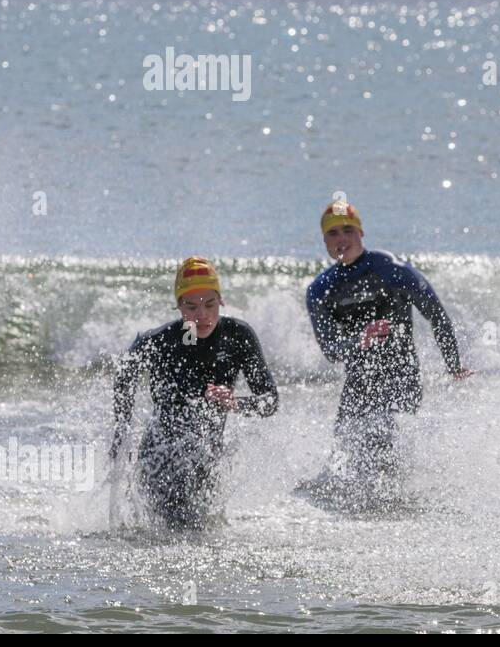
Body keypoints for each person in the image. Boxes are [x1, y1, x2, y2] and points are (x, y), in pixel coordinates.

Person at [305, 200, 471, 499]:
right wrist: (360, 340)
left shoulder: (391, 268)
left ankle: (401, 510)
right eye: (333, 234)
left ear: (361, 232)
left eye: (347, 230)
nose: (341, 239)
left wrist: (453, 365)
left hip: (401, 375)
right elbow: (331, 350)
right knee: (345, 463)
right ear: (324, 241)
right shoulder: (321, 289)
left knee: (389, 452)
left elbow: (436, 315)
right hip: (358, 384)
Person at [111, 257, 279, 530]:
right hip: (159, 460)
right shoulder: (161, 340)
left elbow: (270, 401)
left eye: (209, 304)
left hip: (206, 463)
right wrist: (121, 434)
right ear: (178, 305)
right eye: (191, 306)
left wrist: (235, 403)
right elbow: (124, 375)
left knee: (199, 535)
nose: (202, 315)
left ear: (221, 301)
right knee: (178, 535)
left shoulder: (239, 336)